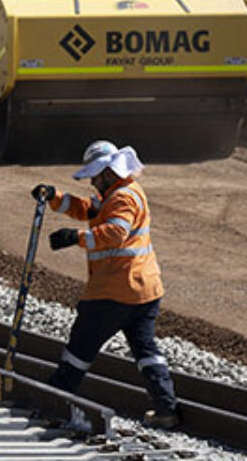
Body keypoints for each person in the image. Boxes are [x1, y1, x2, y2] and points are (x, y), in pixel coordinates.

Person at [33, 140, 181, 430]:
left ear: (108, 173)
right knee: (146, 350)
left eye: (94, 176)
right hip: (145, 291)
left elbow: (115, 233)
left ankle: (53, 399)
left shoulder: (122, 198)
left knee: (81, 347)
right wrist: (54, 196)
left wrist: (74, 237)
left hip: (114, 290)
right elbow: (88, 209)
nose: (92, 181)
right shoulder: (122, 191)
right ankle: (166, 408)